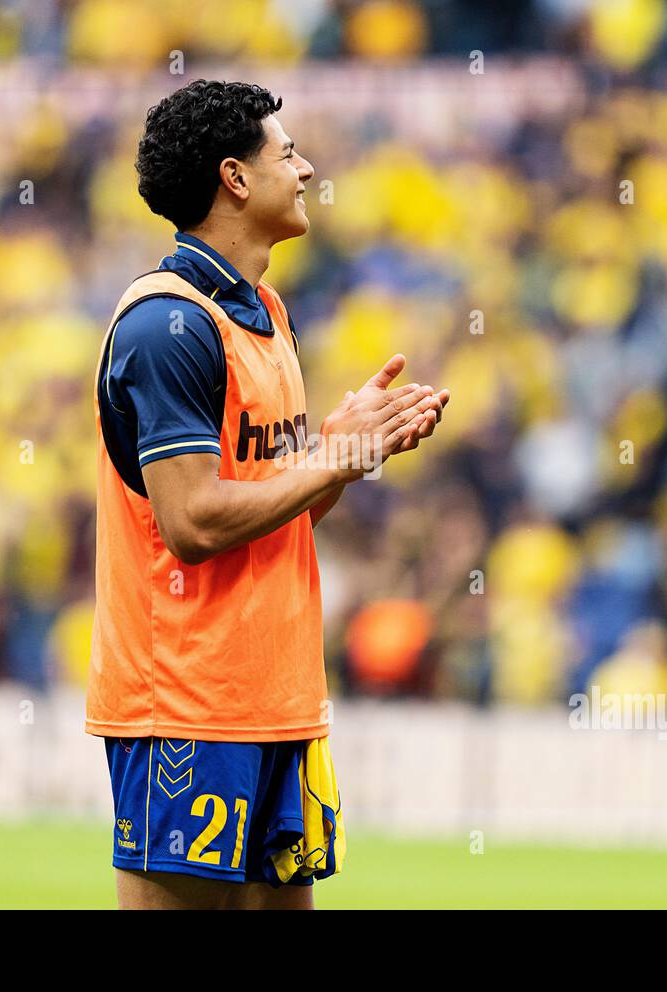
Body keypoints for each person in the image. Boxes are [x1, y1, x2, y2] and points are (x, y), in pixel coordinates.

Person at [86, 79, 450, 909]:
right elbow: (191, 522)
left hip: (276, 699)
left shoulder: (269, 313)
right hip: (185, 705)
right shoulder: (164, 325)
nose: (309, 167)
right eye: (288, 153)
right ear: (236, 179)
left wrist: (339, 455)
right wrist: (335, 458)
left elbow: (277, 515)